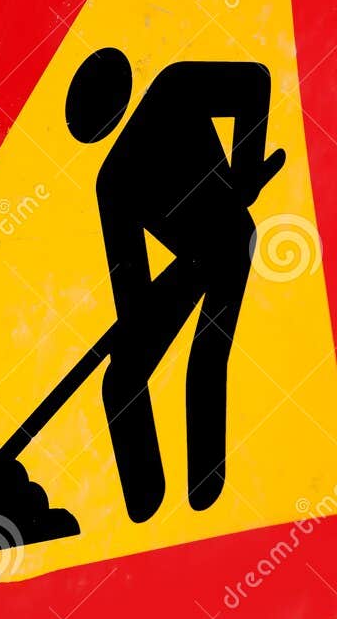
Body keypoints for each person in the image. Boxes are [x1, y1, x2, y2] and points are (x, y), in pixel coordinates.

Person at [66, 48, 285, 522]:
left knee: (207, 356)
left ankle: (206, 494)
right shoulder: (112, 182)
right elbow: (131, 285)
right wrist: (133, 326)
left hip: (229, 241)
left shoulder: (174, 88)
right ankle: (145, 503)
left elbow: (254, 84)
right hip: (191, 260)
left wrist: (244, 171)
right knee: (120, 381)